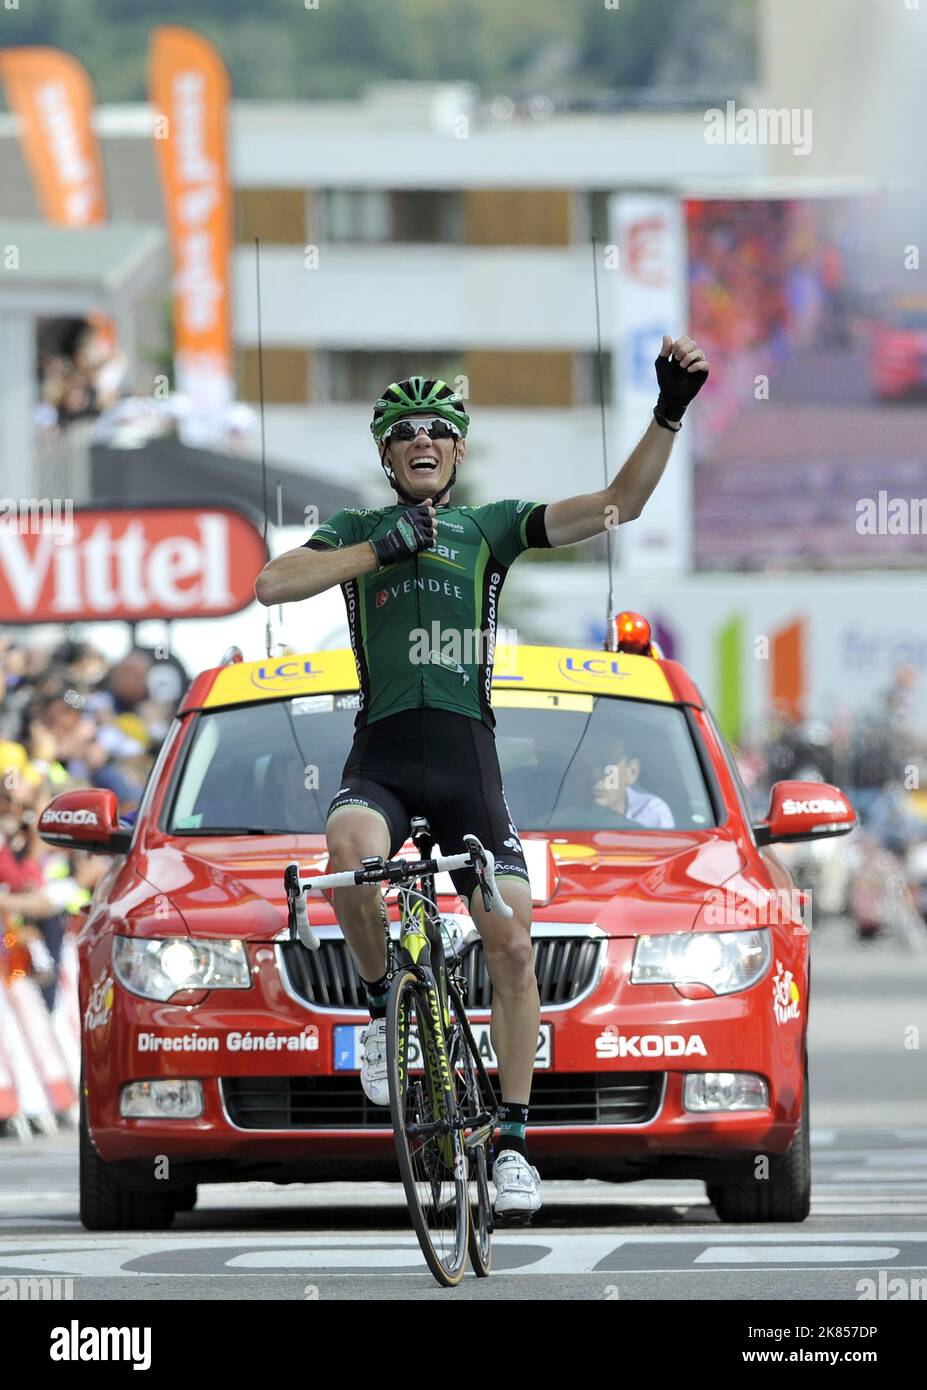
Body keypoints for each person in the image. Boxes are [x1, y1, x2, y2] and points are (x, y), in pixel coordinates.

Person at [255, 336, 709, 1219]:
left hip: (468, 763)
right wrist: (376, 551)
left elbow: (619, 505)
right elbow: (273, 583)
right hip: (382, 753)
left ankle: (510, 1142)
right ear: (384, 454)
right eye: (402, 431)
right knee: (345, 849)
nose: (421, 440)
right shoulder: (355, 531)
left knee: (509, 937)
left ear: (457, 450)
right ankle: (389, 1008)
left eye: (438, 429)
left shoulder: (487, 529)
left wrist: (667, 412)